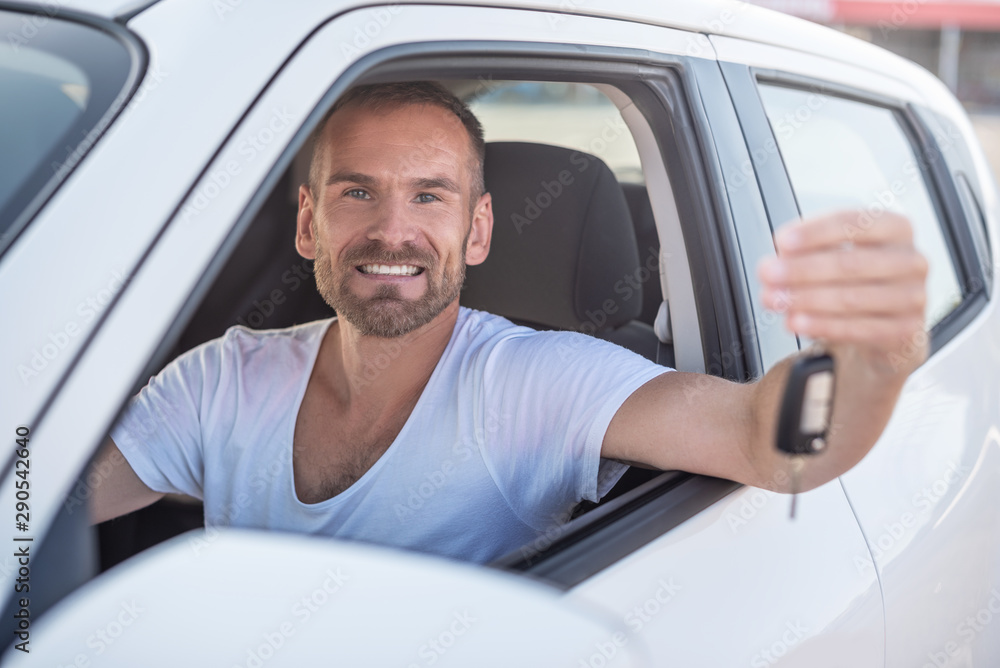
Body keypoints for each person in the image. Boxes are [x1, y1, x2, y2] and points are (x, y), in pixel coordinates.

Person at [88, 82, 929, 563]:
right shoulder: (220, 378)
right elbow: (31, 499)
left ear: (477, 230)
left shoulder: (536, 383)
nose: (391, 230)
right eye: (357, 192)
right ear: (308, 224)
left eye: (429, 195)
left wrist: (878, 352)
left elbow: (765, 443)